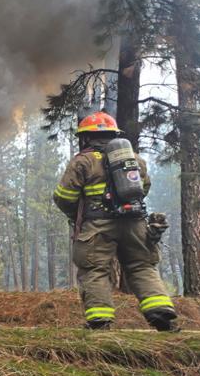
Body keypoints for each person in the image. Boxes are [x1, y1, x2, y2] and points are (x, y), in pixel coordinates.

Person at [53, 111, 178, 331]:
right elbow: (143, 188)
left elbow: (64, 197)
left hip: (97, 227)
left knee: (95, 270)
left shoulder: (83, 161)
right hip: (135, 223)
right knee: (142, 266)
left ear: (86, 137)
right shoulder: (134, 160)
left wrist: (77, 216)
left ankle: (100, 322)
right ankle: (161, 314)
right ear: (114, 134)